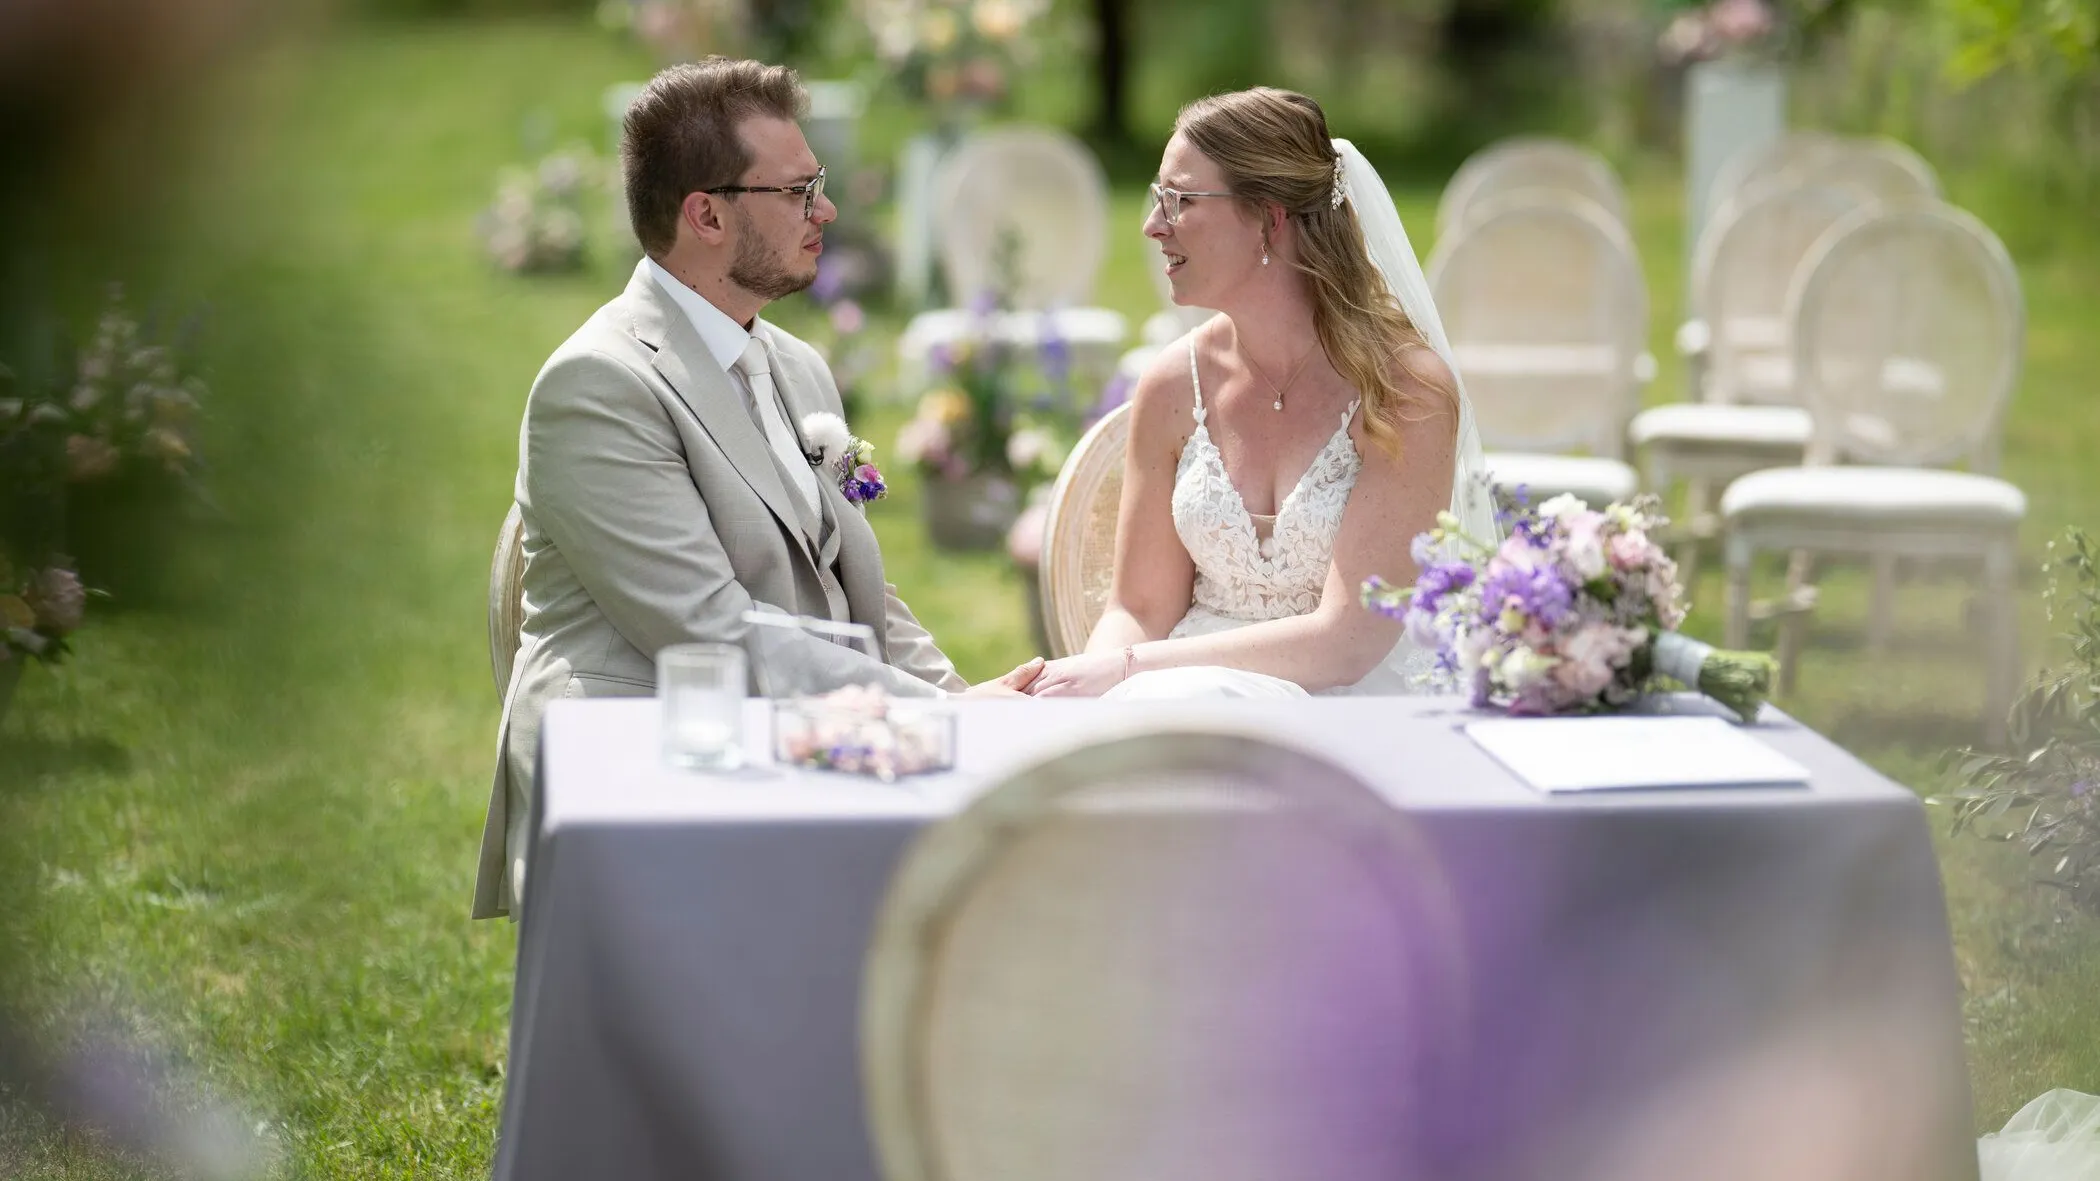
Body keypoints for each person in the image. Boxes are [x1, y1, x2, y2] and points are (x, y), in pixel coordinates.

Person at [472, 59, 1035, 920]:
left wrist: (963, 703)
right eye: (800, 191)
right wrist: (937, 724)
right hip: (647, 754)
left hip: (788, 725)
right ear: (705, 213)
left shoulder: (797, 366)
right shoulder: (598, 385)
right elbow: (707, 631)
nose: (828, 211)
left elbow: (858, 588)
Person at [1027, 87, 1499, 700]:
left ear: (1269, 218)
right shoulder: (1172, 386)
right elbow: (1139, 608)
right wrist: (1084, 688)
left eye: (1180, 200)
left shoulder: (1404, 391)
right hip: (1183, 704)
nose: (1152, 226)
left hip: (1351, 713)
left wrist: (1131, 669)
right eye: (1157, 199)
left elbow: (1347, 640)